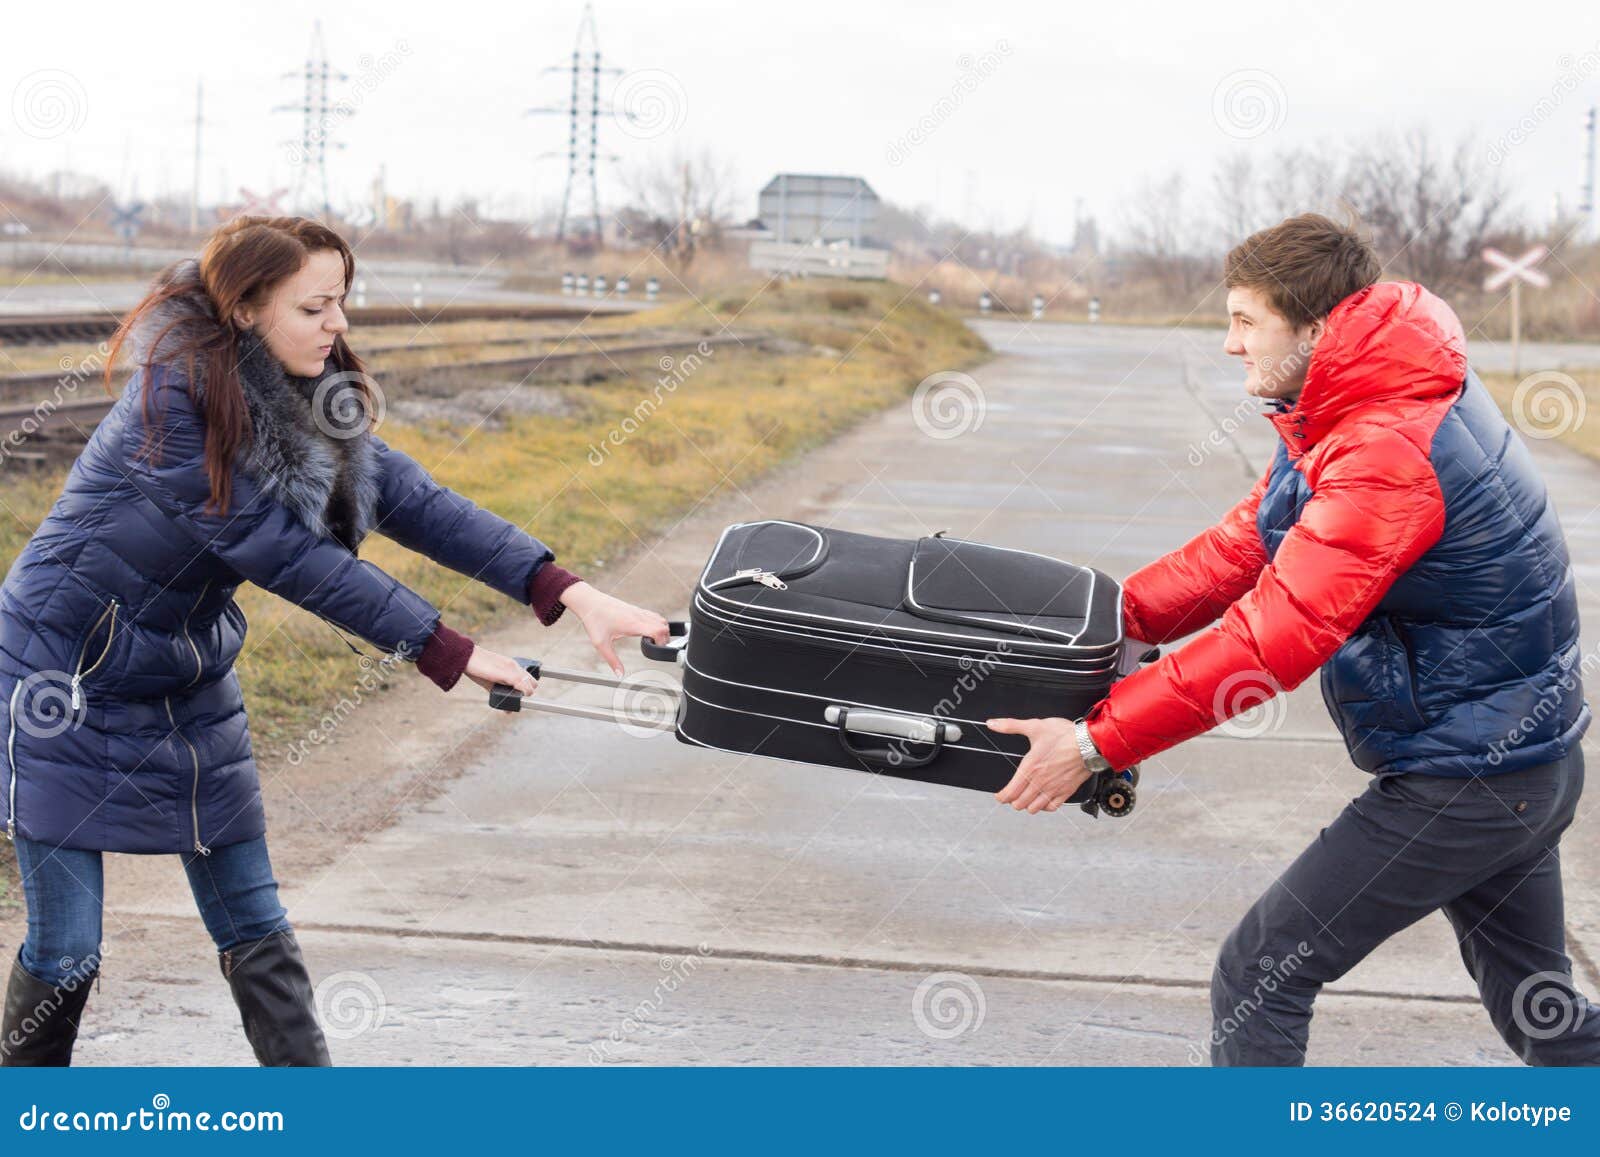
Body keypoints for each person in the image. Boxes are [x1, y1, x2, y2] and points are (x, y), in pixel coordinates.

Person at [0, 215, 669, 1065]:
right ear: (244, 310)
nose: (339, 324)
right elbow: (285, 555)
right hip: (61, 674)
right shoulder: (167, 411)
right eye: (316, 306)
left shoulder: (294, 389)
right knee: (69, 949)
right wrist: (449, 650)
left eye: (342, 302)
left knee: (256, 922)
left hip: (183, 669)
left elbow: (409, 496)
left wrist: (565, 589)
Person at [985, 212, 1600, 1065]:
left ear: (1315, 327)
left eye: (1245, 320)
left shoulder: (1385, 445)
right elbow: (1247, 544)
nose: (1229, 343)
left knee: (1260, 973)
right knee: (1551, 1024)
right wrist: (1108, 621)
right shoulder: (1352, 398)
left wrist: (1094, 742)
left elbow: (1269, 639)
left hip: (1473, 780)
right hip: (1515, 765)